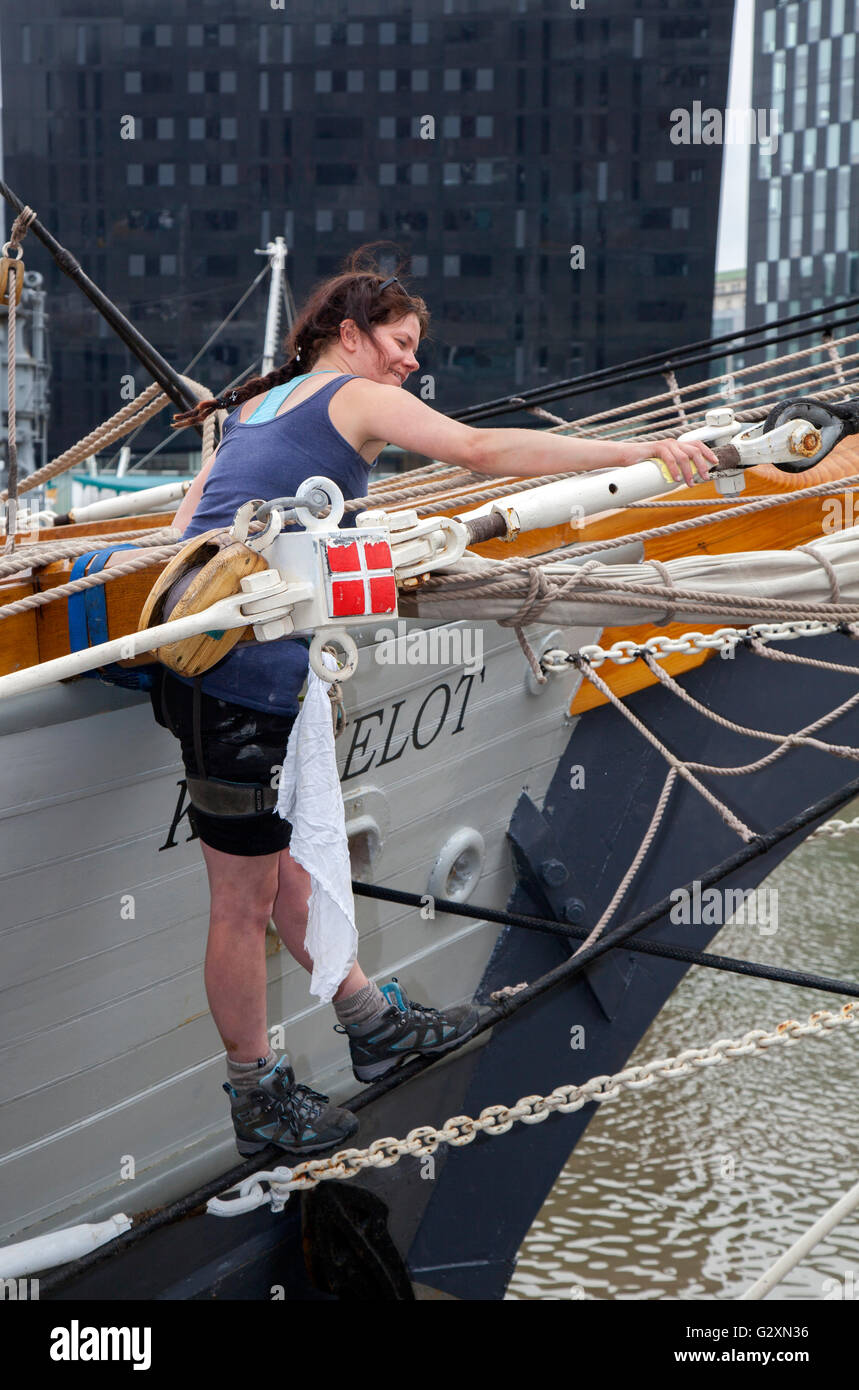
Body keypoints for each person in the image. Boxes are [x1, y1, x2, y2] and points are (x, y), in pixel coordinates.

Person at [149, 248, 718, 1159]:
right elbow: (483, 452)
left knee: (287, 865)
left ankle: (370, 1021)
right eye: (402, 342)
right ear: (351, 336)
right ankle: (258, 1097)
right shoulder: (354, 396)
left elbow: (186, 533)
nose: (411, 362)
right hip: (247, 674)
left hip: (204, 655)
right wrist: (640, 451)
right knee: (242, 899)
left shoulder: (251, 409)